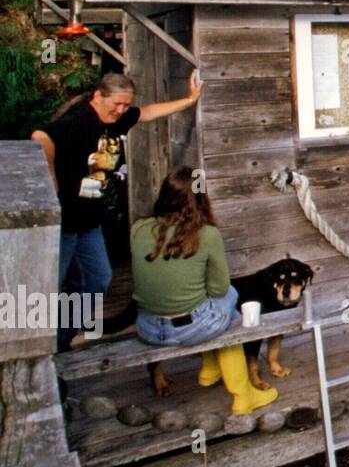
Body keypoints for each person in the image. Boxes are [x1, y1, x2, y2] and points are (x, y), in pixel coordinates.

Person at [31, 69, 203, 348]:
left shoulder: (116, 120)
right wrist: (50, 182)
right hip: (63, 220)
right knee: (49, 284)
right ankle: (36, 349)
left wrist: (189, 100)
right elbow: (41, 137)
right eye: (117, 104)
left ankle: (61, 340)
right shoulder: (79, 121)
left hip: (89, 222)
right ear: (98, 96)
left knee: (98, 279)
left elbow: (146, 113)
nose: (122, 110)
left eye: (126, 104)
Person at [131, 167, 277, 415]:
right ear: (201, 197)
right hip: (192, 327)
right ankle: (242, 396)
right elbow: (219, 289)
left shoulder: (138, 228)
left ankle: (210, 369)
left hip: (148, 328)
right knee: (231, 298)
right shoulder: (207, 234)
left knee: (215, 306)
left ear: (164, 195)